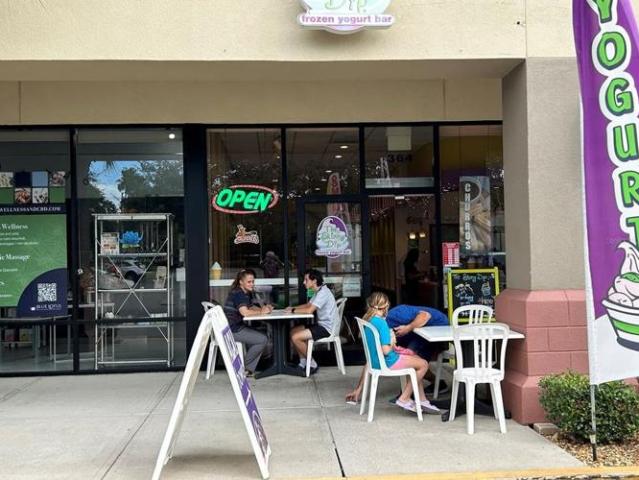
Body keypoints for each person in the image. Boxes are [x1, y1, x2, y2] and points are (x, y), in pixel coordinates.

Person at [345, 303, 448, 408]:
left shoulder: (397, 314)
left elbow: (425, 315)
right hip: (414, 333)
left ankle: (407, 396)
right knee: (415, 361)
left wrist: (408, 328)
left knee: (415, 360)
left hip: (436, 326)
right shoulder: (378, 325)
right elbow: (372, 359)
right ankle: (422, 391)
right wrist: (358, 390)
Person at [360, 292, 440, 414]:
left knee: (415, 358)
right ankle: (405, 397)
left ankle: (422, 399)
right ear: (386, 306)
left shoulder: (368, 320)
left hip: (375, 362)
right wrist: (392, 344)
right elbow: (386, 350)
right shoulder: (382, 323)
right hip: (388, 362)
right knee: (423, 364)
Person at [286, 269, 337, 374]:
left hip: (326, 328)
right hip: (321, 324)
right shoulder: (319, 291)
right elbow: (308, 305)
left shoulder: (323, 293)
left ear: (314, 281)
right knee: (293, 331)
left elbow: (309, 310)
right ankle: (302, 363)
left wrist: (293, 310)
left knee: (295, 337)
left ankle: (313, 364)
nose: (304, 282)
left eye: (306, 280)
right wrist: (293, 308)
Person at [223, 269, 271, 376]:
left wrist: (262, 309)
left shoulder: (243, 292)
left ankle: (248, 369)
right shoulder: (239, 294)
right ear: (241, 282)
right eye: (249, 282)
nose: (252, 284)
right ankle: (244, 368)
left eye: (253, 281)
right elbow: (245, 312)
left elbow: (250, 307)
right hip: (232, 330)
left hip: (234, 327)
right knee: (262, 339)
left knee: (261, 334)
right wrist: (261, 312)